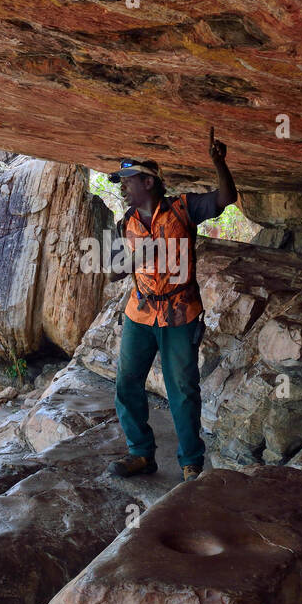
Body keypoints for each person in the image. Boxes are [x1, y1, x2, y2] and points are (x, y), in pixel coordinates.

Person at [106, 130, 237, 483]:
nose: (122, 187)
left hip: (180, 315)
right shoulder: (126, 224)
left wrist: (218, 163)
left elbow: (226, 197)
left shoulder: (183, 208)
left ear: (148, 181)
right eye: (120, 182)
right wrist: (132, 261)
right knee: (127, 383)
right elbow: (113, 270)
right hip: (139, 313)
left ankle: (191, 463)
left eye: (127, 181)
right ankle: (140, 454)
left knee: (182, 389)